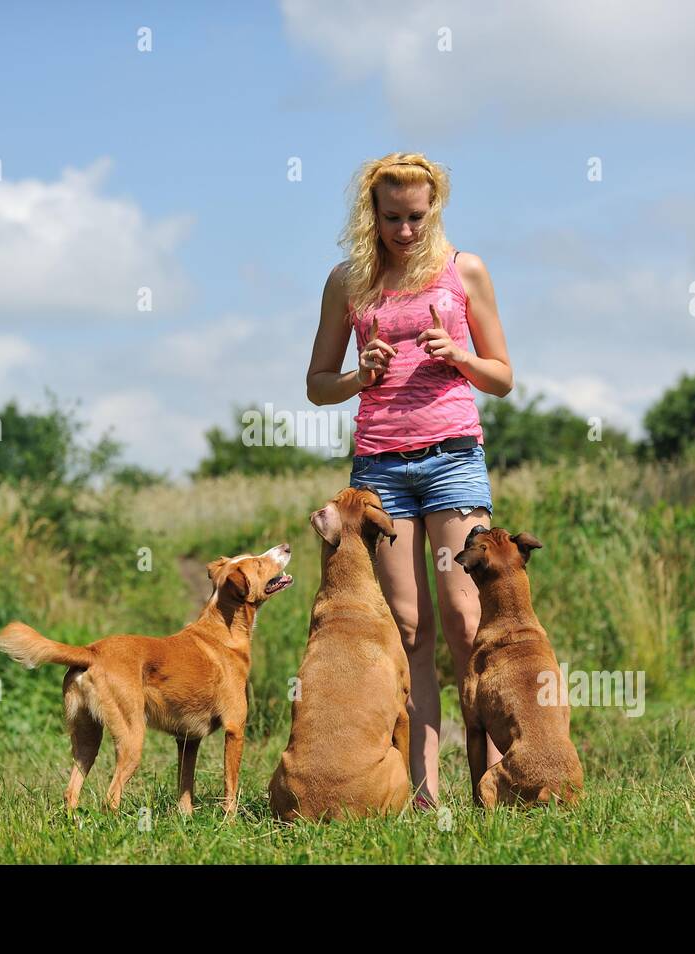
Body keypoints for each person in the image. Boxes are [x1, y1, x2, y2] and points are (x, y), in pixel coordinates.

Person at [305, 152, 514, 806]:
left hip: (453, 456)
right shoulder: (348, 282)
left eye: (416, 217)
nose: (404, 230)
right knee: (408, 627)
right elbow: (317, 387)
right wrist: (357, 377)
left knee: (464, 614)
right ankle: (423, 794)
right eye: (392, 217)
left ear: (435, 209)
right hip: (381, 469)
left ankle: (498, 776)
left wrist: (459, 357)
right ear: (372, 213)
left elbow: (503, 377)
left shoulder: (463, 272)